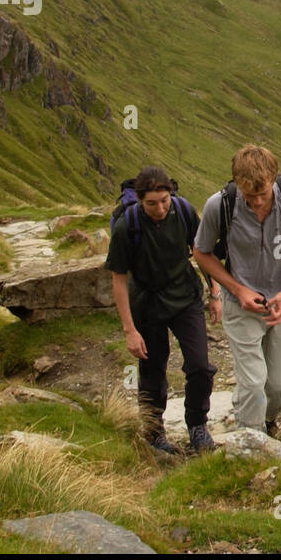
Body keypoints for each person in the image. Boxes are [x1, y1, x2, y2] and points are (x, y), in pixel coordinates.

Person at [194, 145, 281, 437]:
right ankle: (250, 440)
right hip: (240, 307)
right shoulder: (220, 205)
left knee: (277, 386)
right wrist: (237, 290)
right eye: (248, 196)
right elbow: (201, 253)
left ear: (273, 179)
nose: (255, 202)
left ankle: (267, 421)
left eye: (262, 194)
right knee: (253, 382)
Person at [105, 165, 218, 455]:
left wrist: (214, 293)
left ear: (172, 195)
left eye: (164, 200)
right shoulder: (125, 226)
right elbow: (119, 281)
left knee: (200, 366)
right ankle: (154, 433)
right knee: (152, 370)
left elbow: (201, 252)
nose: (160, 208)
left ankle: (197, 425)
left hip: (185, 297)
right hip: (147, 303)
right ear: (140, 201)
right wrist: (130, 330)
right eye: (152, 203)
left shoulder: (182, 211)